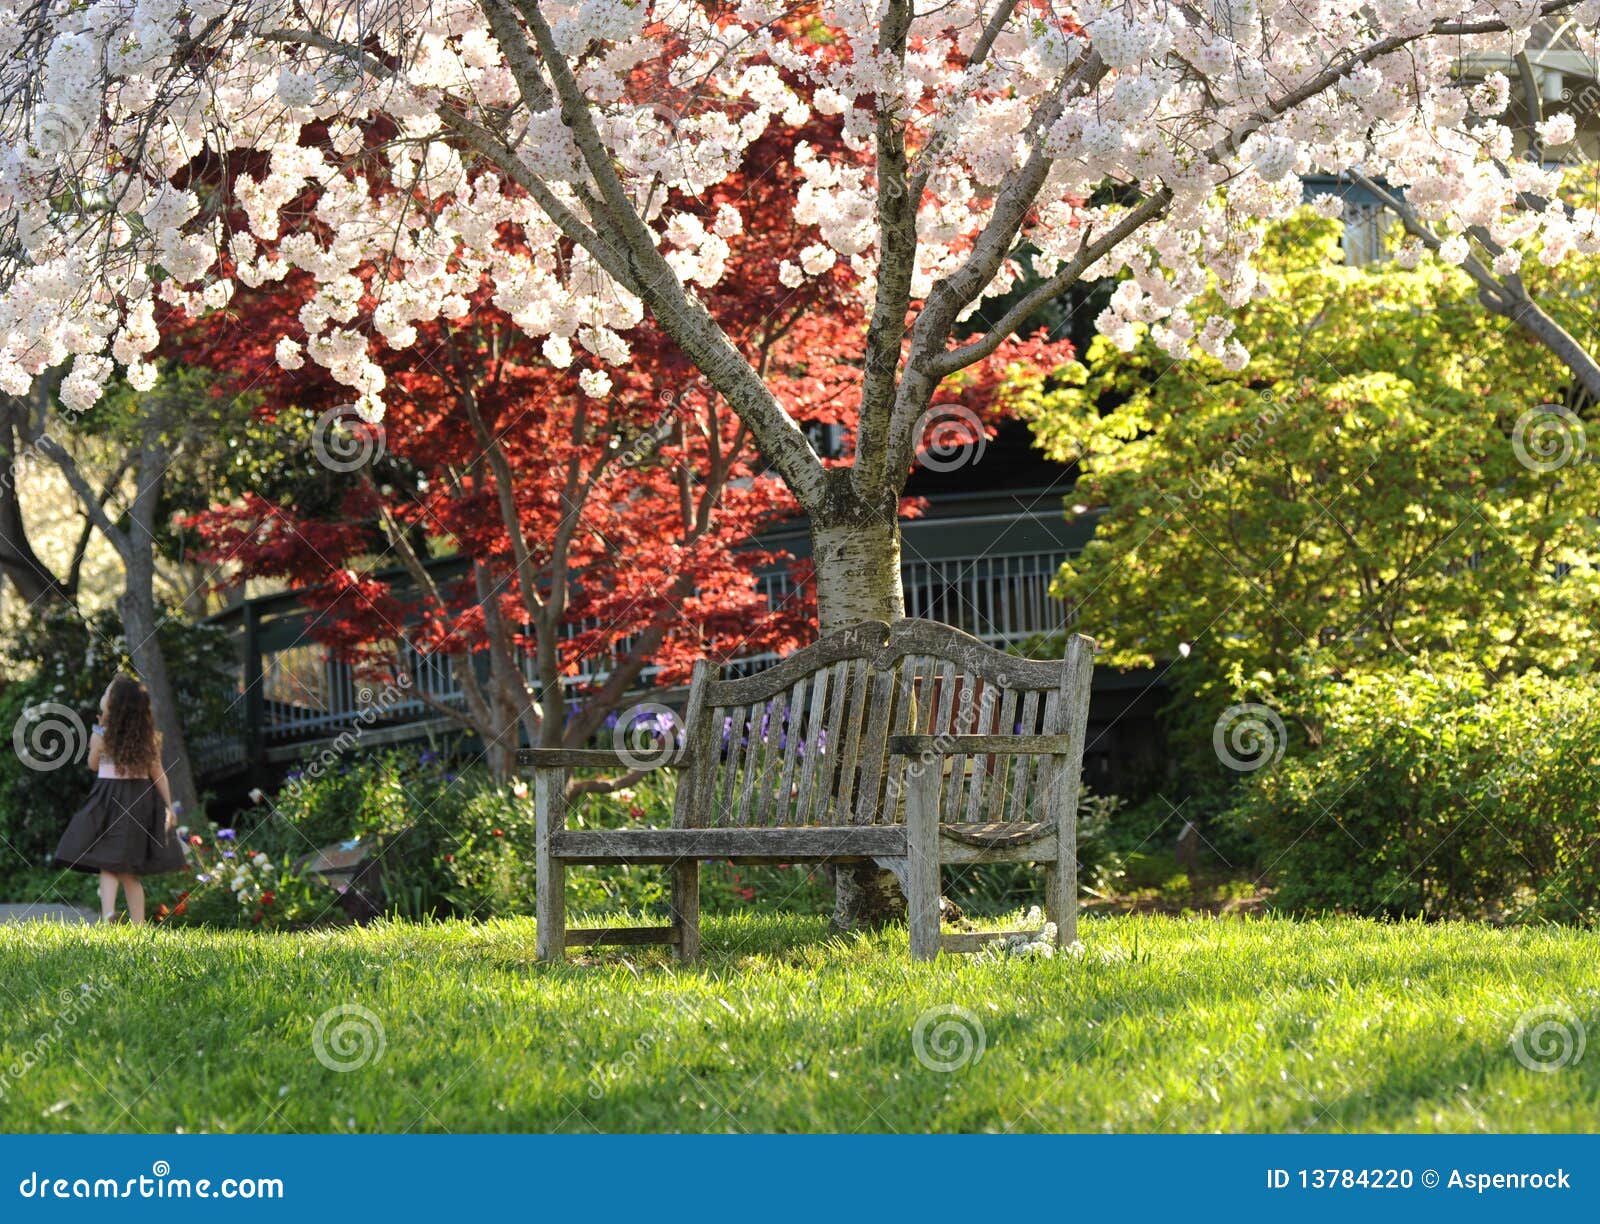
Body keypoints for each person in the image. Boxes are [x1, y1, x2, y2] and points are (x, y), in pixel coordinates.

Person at [54, 675, 185, 924]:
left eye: (106, 693)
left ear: (114, 705)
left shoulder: (101, 736)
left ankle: (108, 914)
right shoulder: (148, 740)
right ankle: (138, 923)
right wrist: (169, 807)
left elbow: (93, 765)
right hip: (139, 801)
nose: (103, 697)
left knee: (107, 863)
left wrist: (96, 743)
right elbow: (159, 775)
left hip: (108, 800)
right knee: (128, 871)